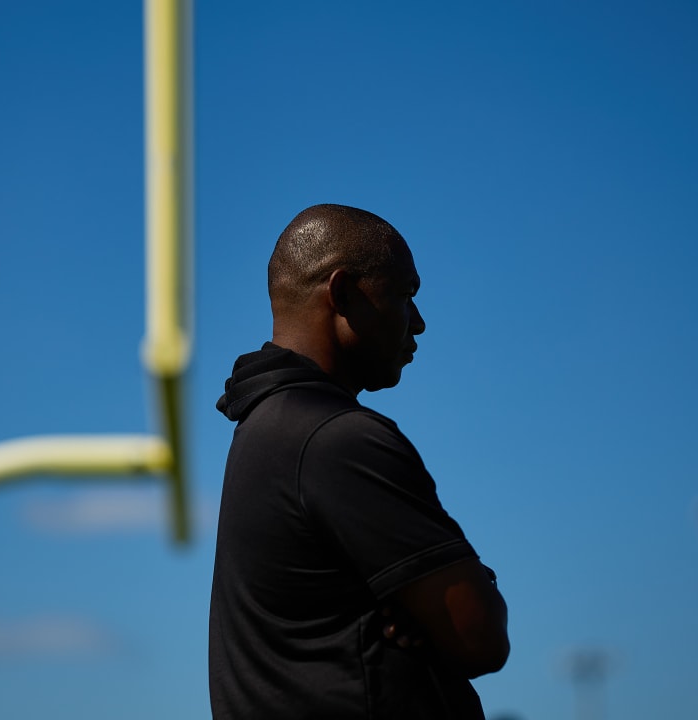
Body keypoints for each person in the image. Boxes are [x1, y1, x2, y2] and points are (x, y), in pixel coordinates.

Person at [209, 204, 509, 719]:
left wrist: (436, 601)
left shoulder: (267, 429)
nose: (419, 322)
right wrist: (463, 591)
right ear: (343, 292)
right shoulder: (336, 438)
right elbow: (480, 637)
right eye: (405, 294)